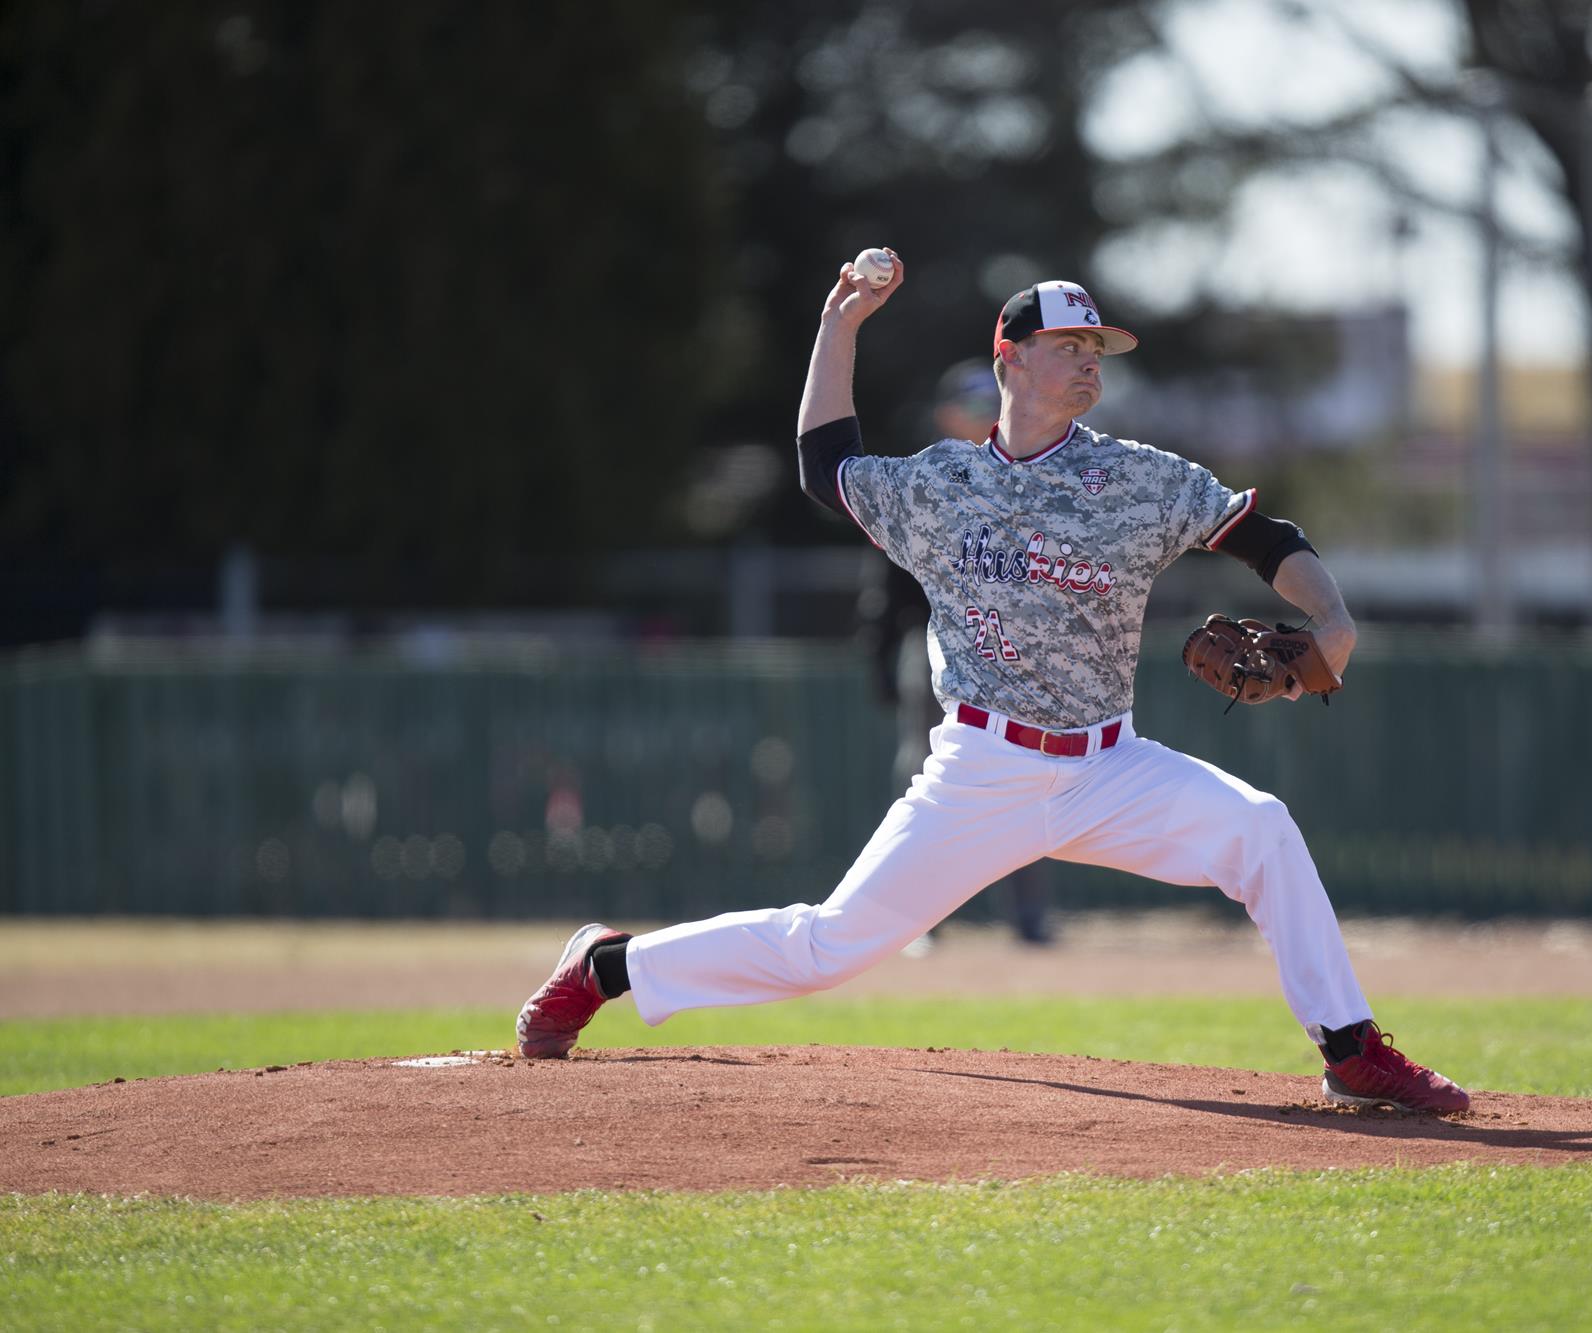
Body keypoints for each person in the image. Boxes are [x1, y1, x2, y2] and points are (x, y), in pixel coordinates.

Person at [516, 252, 1470, 1113]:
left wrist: (1333, 620)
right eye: (1068, 344)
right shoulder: (940, 485)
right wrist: (839, 323)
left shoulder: (1143, 480)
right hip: (981, 770)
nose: (1091, 360)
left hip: (1110, 767)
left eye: (1099, 346)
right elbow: (823, 466)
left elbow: (1267, 539)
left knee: (1261, 824)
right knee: (825, 948)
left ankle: (1351, 1050)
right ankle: (606, 965)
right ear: (1009, 356)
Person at [856, 359, 1055, 946]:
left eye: (987, 410)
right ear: (946, 416)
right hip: (933, 642)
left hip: (1010, 651)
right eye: (970, 410)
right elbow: (883, 589)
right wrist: (882, 661)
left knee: (1024, 778)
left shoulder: (1031, 482)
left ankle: (1030, 918)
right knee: (921, 775)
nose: (981, 421)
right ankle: (916, 919)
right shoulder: (925, 480)